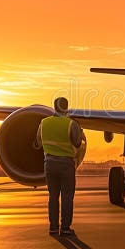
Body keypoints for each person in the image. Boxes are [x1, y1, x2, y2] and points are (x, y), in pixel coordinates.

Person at [36, 97, 85, 236]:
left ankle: (53, 227)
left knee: (53, 196)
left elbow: (38, 141)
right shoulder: (71, 124)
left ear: (54, 107)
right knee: (67, 197)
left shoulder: (44, 123)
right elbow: (77, 143)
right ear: (66, 107)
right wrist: (79, 133)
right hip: (66, 164)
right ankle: (65, 228)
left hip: (49, 164)